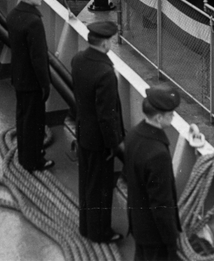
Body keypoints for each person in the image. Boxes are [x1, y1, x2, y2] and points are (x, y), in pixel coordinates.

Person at [71, 21, 125, 244]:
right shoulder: (106, 74)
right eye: (110, 40)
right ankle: (99, 231)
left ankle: (86, 226)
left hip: (83, 132)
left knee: (86, 183)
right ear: (104, 44)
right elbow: (106, 117)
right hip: (99, 142)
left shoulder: (77, 60)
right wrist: (114, 145)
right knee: (100, 188)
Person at [124, 84, 182, 261]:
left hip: (138, 224)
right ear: (158, 118)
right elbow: (161, 205)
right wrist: (172, 242)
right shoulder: (158, 154)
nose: (173, 117)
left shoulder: (133, 135)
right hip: (154, 235)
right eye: (170, 115)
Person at [7, 0, 53, 172]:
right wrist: (45, 84)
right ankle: (33, 162)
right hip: (33, 81)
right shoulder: (34, 21)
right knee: (35, 122)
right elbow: (39, 58)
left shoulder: (12, 15)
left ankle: (25, 155)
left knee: (23, 118)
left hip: (18, 77)